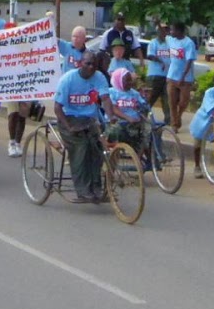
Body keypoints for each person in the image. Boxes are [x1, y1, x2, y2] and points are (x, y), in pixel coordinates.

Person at [53, 52, 110, 202]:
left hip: (89, 119)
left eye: (94, 64)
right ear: (80, 63)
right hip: (68, 118)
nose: (91, 67)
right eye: (88, 64)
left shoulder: (99, 77)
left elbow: (105, 98)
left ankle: (96, 188)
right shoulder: (67, 80)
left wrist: (112, 117)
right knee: (81, 147)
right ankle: (83, 190)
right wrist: (69, 127)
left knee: (98, 148)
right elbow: (57, 108)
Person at [104, 66, 151, 159]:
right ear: (119, 81)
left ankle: (147, 159)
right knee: (117, 133)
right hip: (118, 122)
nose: (130, 83)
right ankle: (111, 168)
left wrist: (146, 98)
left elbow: (143, 106)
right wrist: (128, 118)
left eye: (130, 80)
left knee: (149, 131)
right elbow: (114, 109)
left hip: (134, 123)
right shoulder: (112, 92)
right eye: (127, 81)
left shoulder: (134, 93)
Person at [165, 22, 198, 134]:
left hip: (185, 79)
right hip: (171, 76)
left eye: (173, 30)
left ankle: (179, 116)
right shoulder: (171, 39)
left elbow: (189, 60)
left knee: (184, 102)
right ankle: (174, 124)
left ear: (179, 31)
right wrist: (158, 23)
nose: (171, 32)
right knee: (172, 102)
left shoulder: (188, 43)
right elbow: (163, 33)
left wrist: (183, 77)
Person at [143, 23, 172, 124]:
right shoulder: (153, 43)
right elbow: (150, 56)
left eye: (166, 30)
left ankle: (169, 121)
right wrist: (161, 62)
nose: (164, 32)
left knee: (167, 99)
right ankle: (142, 117)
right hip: (154, 75)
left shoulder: (169, 43)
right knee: (150, 98)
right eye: (162, 30)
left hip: (167, 76)